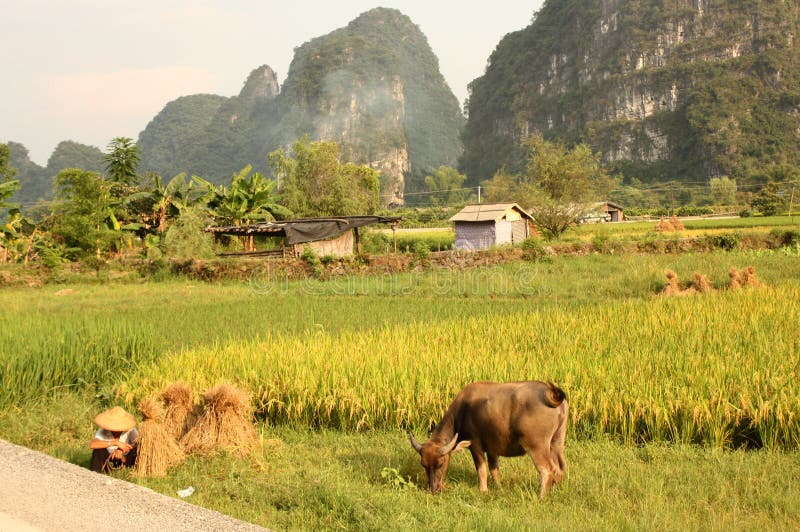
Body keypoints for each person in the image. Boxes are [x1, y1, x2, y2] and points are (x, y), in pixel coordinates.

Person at [89, 406, 138, 473]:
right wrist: (115, 443)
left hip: (126, 460)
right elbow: (93, 444)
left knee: (136, 450)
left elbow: (137, 443)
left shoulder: (131, 430)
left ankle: (131, 471)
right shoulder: (103, 430)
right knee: (98, 450)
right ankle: (95, 473)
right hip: (109, 459)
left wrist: (120, 450)